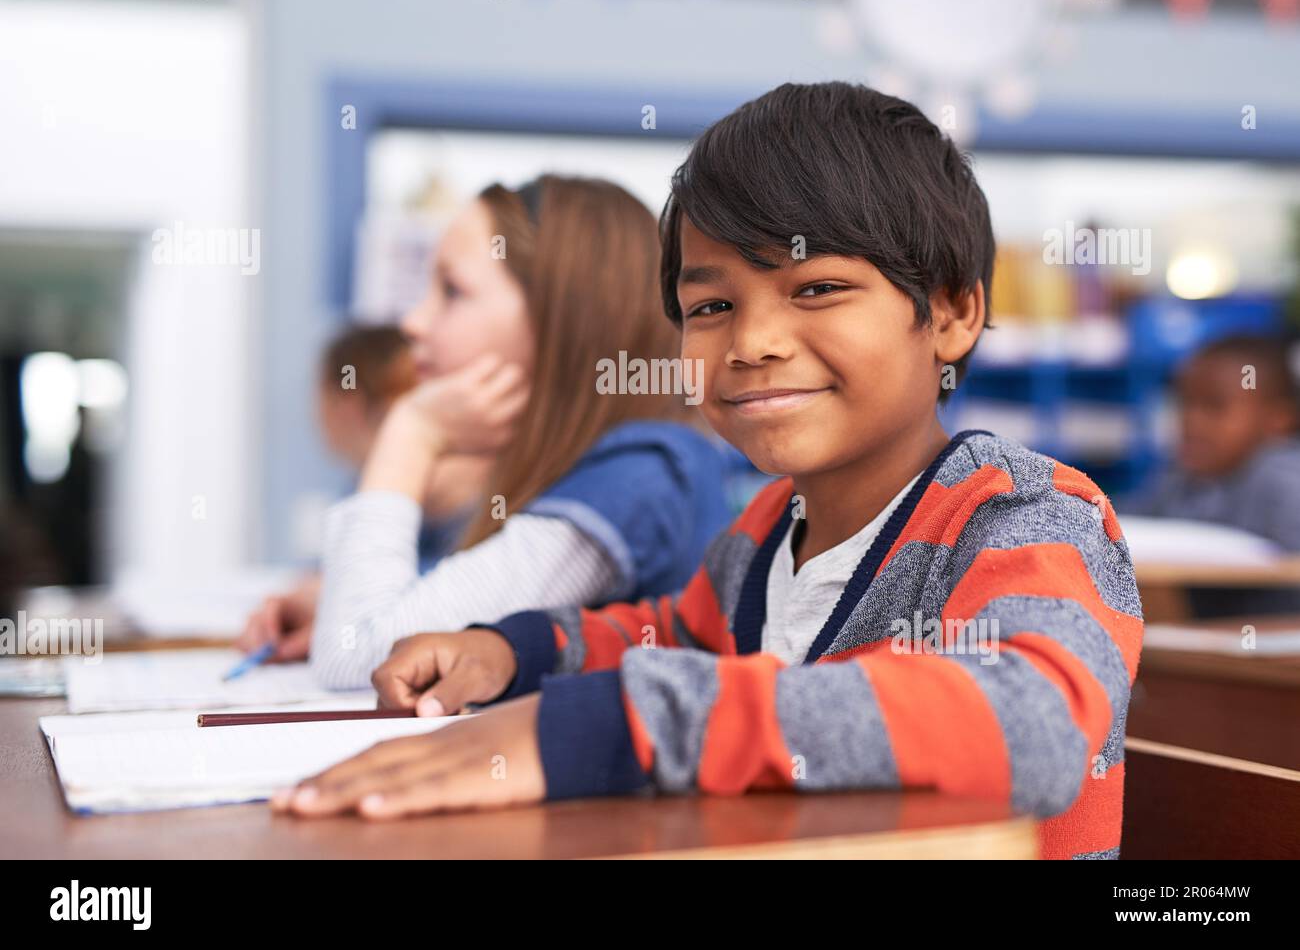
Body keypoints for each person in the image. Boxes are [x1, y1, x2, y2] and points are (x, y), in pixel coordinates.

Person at [272, 83, 1142, 861]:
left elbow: (1029, 723)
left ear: (952, 313)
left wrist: (628, 723)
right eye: (711, 306)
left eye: (816, 289)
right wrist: (515, 649)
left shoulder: (1031, 516)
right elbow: (670, 637)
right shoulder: (760, 535)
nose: (753, 342)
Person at [258, 175, 731, 687]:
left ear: (560, 321)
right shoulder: (587, 465)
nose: (414, 322)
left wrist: (410, 437)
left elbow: (358, 659)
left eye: (452, 290)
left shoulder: (641, 479)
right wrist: (332, 602)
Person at [239, 324, 492, 660]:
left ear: (345, 404)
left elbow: (465, 590)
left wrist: (332, 596)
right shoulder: (366, 484)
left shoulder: (451, 490)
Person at [1127, 333, 1300, 616]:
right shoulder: (1180, 476)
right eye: (1185, 404)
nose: (1192, 421)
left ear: (1277, 420)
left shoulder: (1283, 478)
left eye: (1214, 407)